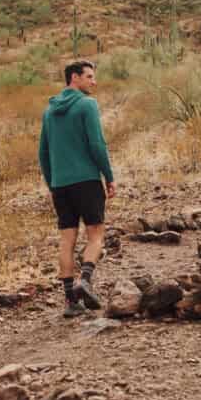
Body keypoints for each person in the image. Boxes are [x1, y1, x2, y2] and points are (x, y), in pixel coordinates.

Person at [38, 59, 115, 316]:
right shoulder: (87, 105)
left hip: (61, 185)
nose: (94, 82)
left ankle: (71, 302)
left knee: (66, 240)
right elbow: (97, 144)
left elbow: (43, 153)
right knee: (96, 235)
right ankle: (85, 280)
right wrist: (108, 176)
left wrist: (53, 183)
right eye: (89, 77)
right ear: (74, 78)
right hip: (86, 181)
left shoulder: (49, 111)